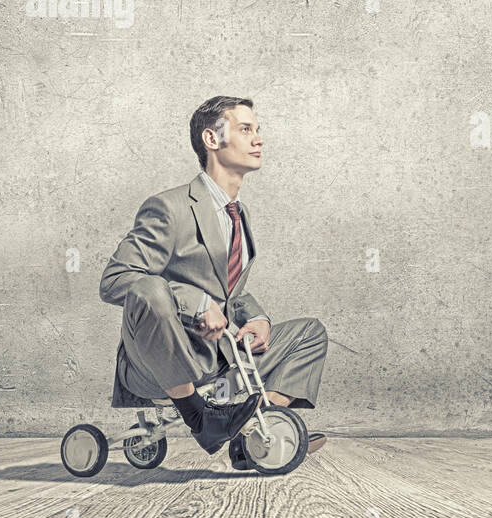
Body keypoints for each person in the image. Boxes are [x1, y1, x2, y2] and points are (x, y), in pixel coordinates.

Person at [99, 95, 328, 466]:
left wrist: (257, 317)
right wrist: (197, 304)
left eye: (259, 130)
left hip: (219, 356)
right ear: (212, 139)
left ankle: (249, 437)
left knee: (310, 333)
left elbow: (227, 289)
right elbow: (115, 280)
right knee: (150, 286)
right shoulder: (169, 208)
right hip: (161, 363)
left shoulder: (238, 214)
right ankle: (200, 418)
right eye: (246, 129)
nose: (259, 139)